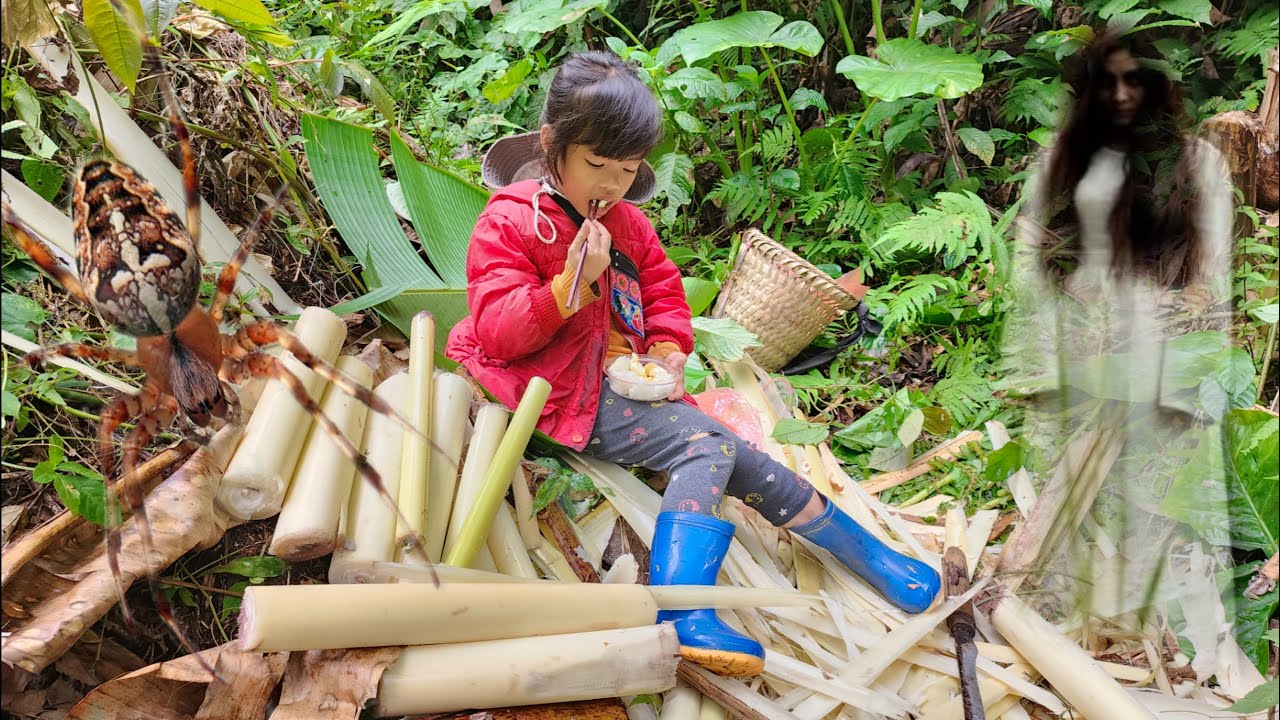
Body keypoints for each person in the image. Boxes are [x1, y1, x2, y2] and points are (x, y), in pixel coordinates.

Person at [446, 51, 940, 677]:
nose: (611, 184)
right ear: (551, 144)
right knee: (705, 449)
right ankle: (679, 612)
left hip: (613, 381)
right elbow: (499, 330)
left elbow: (662, 290)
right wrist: (571, 283)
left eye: (626, 170)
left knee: (744, 454)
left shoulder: (627, 222)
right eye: (595, 164)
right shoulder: (514, 221)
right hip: (547, 391)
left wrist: (670, 349)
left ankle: (871, 556)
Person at [1009, 31, 1234, 621]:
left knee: (1153, 480)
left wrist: (1179, 313)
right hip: (1086, 345)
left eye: (1136, 79)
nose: (1122, 94)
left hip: (1167, 342)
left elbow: (1213, 277)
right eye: (1107, 81)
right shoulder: (1068, 155)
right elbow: (1037, 251)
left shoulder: (1197, 160)